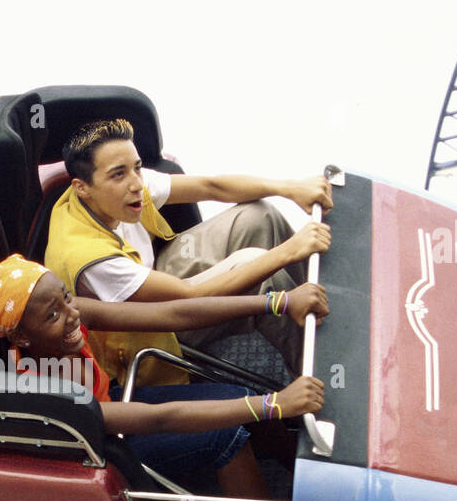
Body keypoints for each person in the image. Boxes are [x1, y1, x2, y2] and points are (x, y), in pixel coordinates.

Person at [0, 255, 327, 501]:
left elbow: (174, 314)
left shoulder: (71, 314)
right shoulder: (47, 393)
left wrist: (276, 302)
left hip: (113, 407)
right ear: (22, 337)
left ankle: (307, 477)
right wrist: (273, 403)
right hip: (104, 451)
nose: (70, 314)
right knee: (227, 433)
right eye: (52, 315)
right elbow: (159, 418)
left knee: (241, 399)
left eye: (66, 298)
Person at [44, 118, 332, 387]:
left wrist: (288, 189)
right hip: (152, 328)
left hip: (154, 279)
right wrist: (287, 252)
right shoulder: (88, 258)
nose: (135, 183)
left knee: (259, 215)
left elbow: (211, 187)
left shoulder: (122, 188)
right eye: (119, 174)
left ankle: (323, 309)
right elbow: (189, 298)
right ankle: (324, 379)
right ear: (82, 188)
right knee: (259, 270)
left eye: (137, 167)